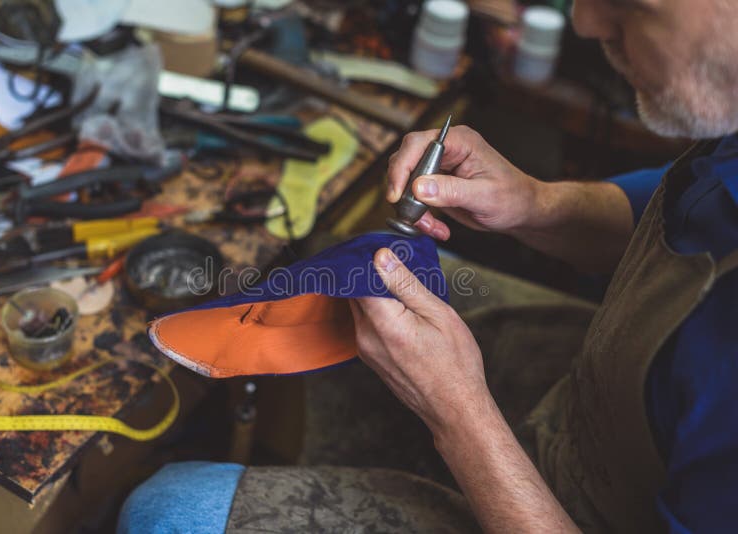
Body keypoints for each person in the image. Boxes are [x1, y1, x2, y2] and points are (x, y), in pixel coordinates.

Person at [119, 0, 738, 531]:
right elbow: (670, 211)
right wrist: (533, 204)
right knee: (333, 271)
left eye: (631, 2)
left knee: (169, 513)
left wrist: (458, 415)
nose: (584, 22)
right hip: (595, 391)